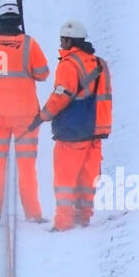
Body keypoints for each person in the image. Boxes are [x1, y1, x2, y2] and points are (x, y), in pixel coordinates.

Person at [0, 0, 50, 224]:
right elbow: (43, 73)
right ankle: (33, 215)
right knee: (26, 167)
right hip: (26, 117)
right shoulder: (29, 43)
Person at [26, 20, 112, 231]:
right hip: (94, 133)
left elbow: (60, 97)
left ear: (68, 40)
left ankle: (63, 223)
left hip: (72, 133)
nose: (61, 44)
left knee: (65, 180)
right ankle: (83, 218)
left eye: (62, 39)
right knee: (87, 178)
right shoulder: (99, 64)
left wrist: (41, 116)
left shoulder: (69, 64)